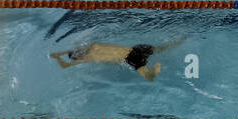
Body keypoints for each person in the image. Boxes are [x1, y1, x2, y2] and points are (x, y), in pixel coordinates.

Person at [51, 36, 185, 82]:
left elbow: (65, 65)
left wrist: (57, 57)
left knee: (147, 76)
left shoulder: (87, 59)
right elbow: (74, 50)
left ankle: (154, 71)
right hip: (134, 49)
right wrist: (60, 52)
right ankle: (179, 42)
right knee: (159, 48)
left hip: (129, 58)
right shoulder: (93, 45)